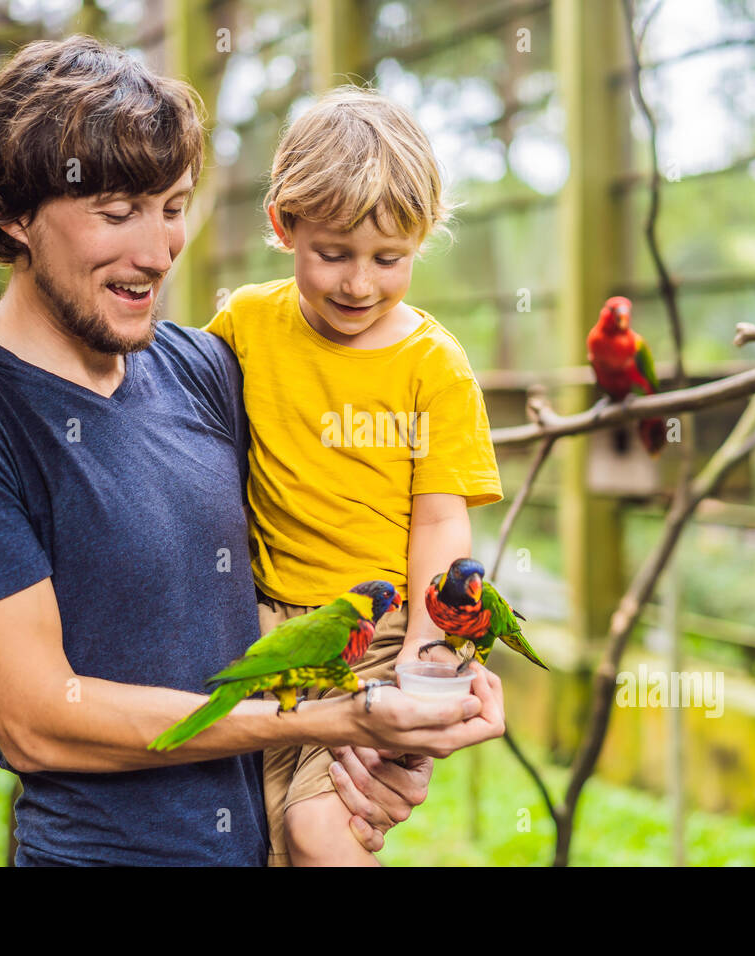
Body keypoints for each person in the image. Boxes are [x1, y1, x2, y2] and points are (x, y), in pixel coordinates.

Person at [0, 36, 505, 867]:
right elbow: (34, 720)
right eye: (116, 213)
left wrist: (407, 708)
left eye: (171, 207)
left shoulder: (205, 367)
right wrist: (334, 717)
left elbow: (358, 486)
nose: (158, 251)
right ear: (12, 216)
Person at [203, 87, 503, 866]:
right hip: (264, 624)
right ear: (283, 225)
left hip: (378, 635)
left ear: (424, 240)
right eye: (332, 253)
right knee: (260, 836)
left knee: (319, 832)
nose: (359, 284)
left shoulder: (433, 367)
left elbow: (441, 522)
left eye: (388, 259)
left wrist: (429, 650)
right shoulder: (243, 324)